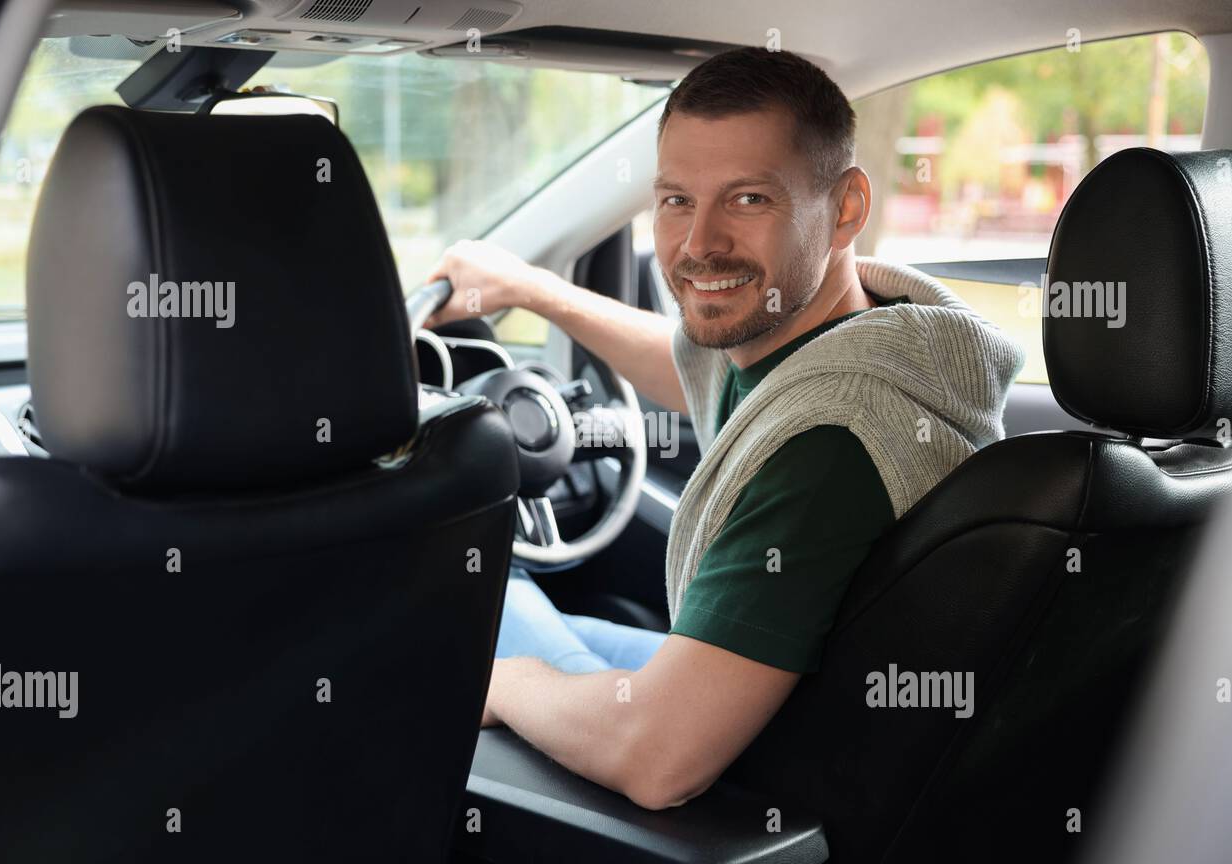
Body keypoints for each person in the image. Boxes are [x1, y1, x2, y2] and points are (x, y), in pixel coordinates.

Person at [423, 46, 1024, 811]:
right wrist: (538, 290)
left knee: (471, 613)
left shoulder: (831, 442)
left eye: (747, 199)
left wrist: (506, 687)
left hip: (762, 777)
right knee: (523, 612)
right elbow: (695, 372)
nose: (699, 242)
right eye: (676, 200)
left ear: (845, 209)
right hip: (802, 709)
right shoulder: (847, 335)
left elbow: (658, 759)